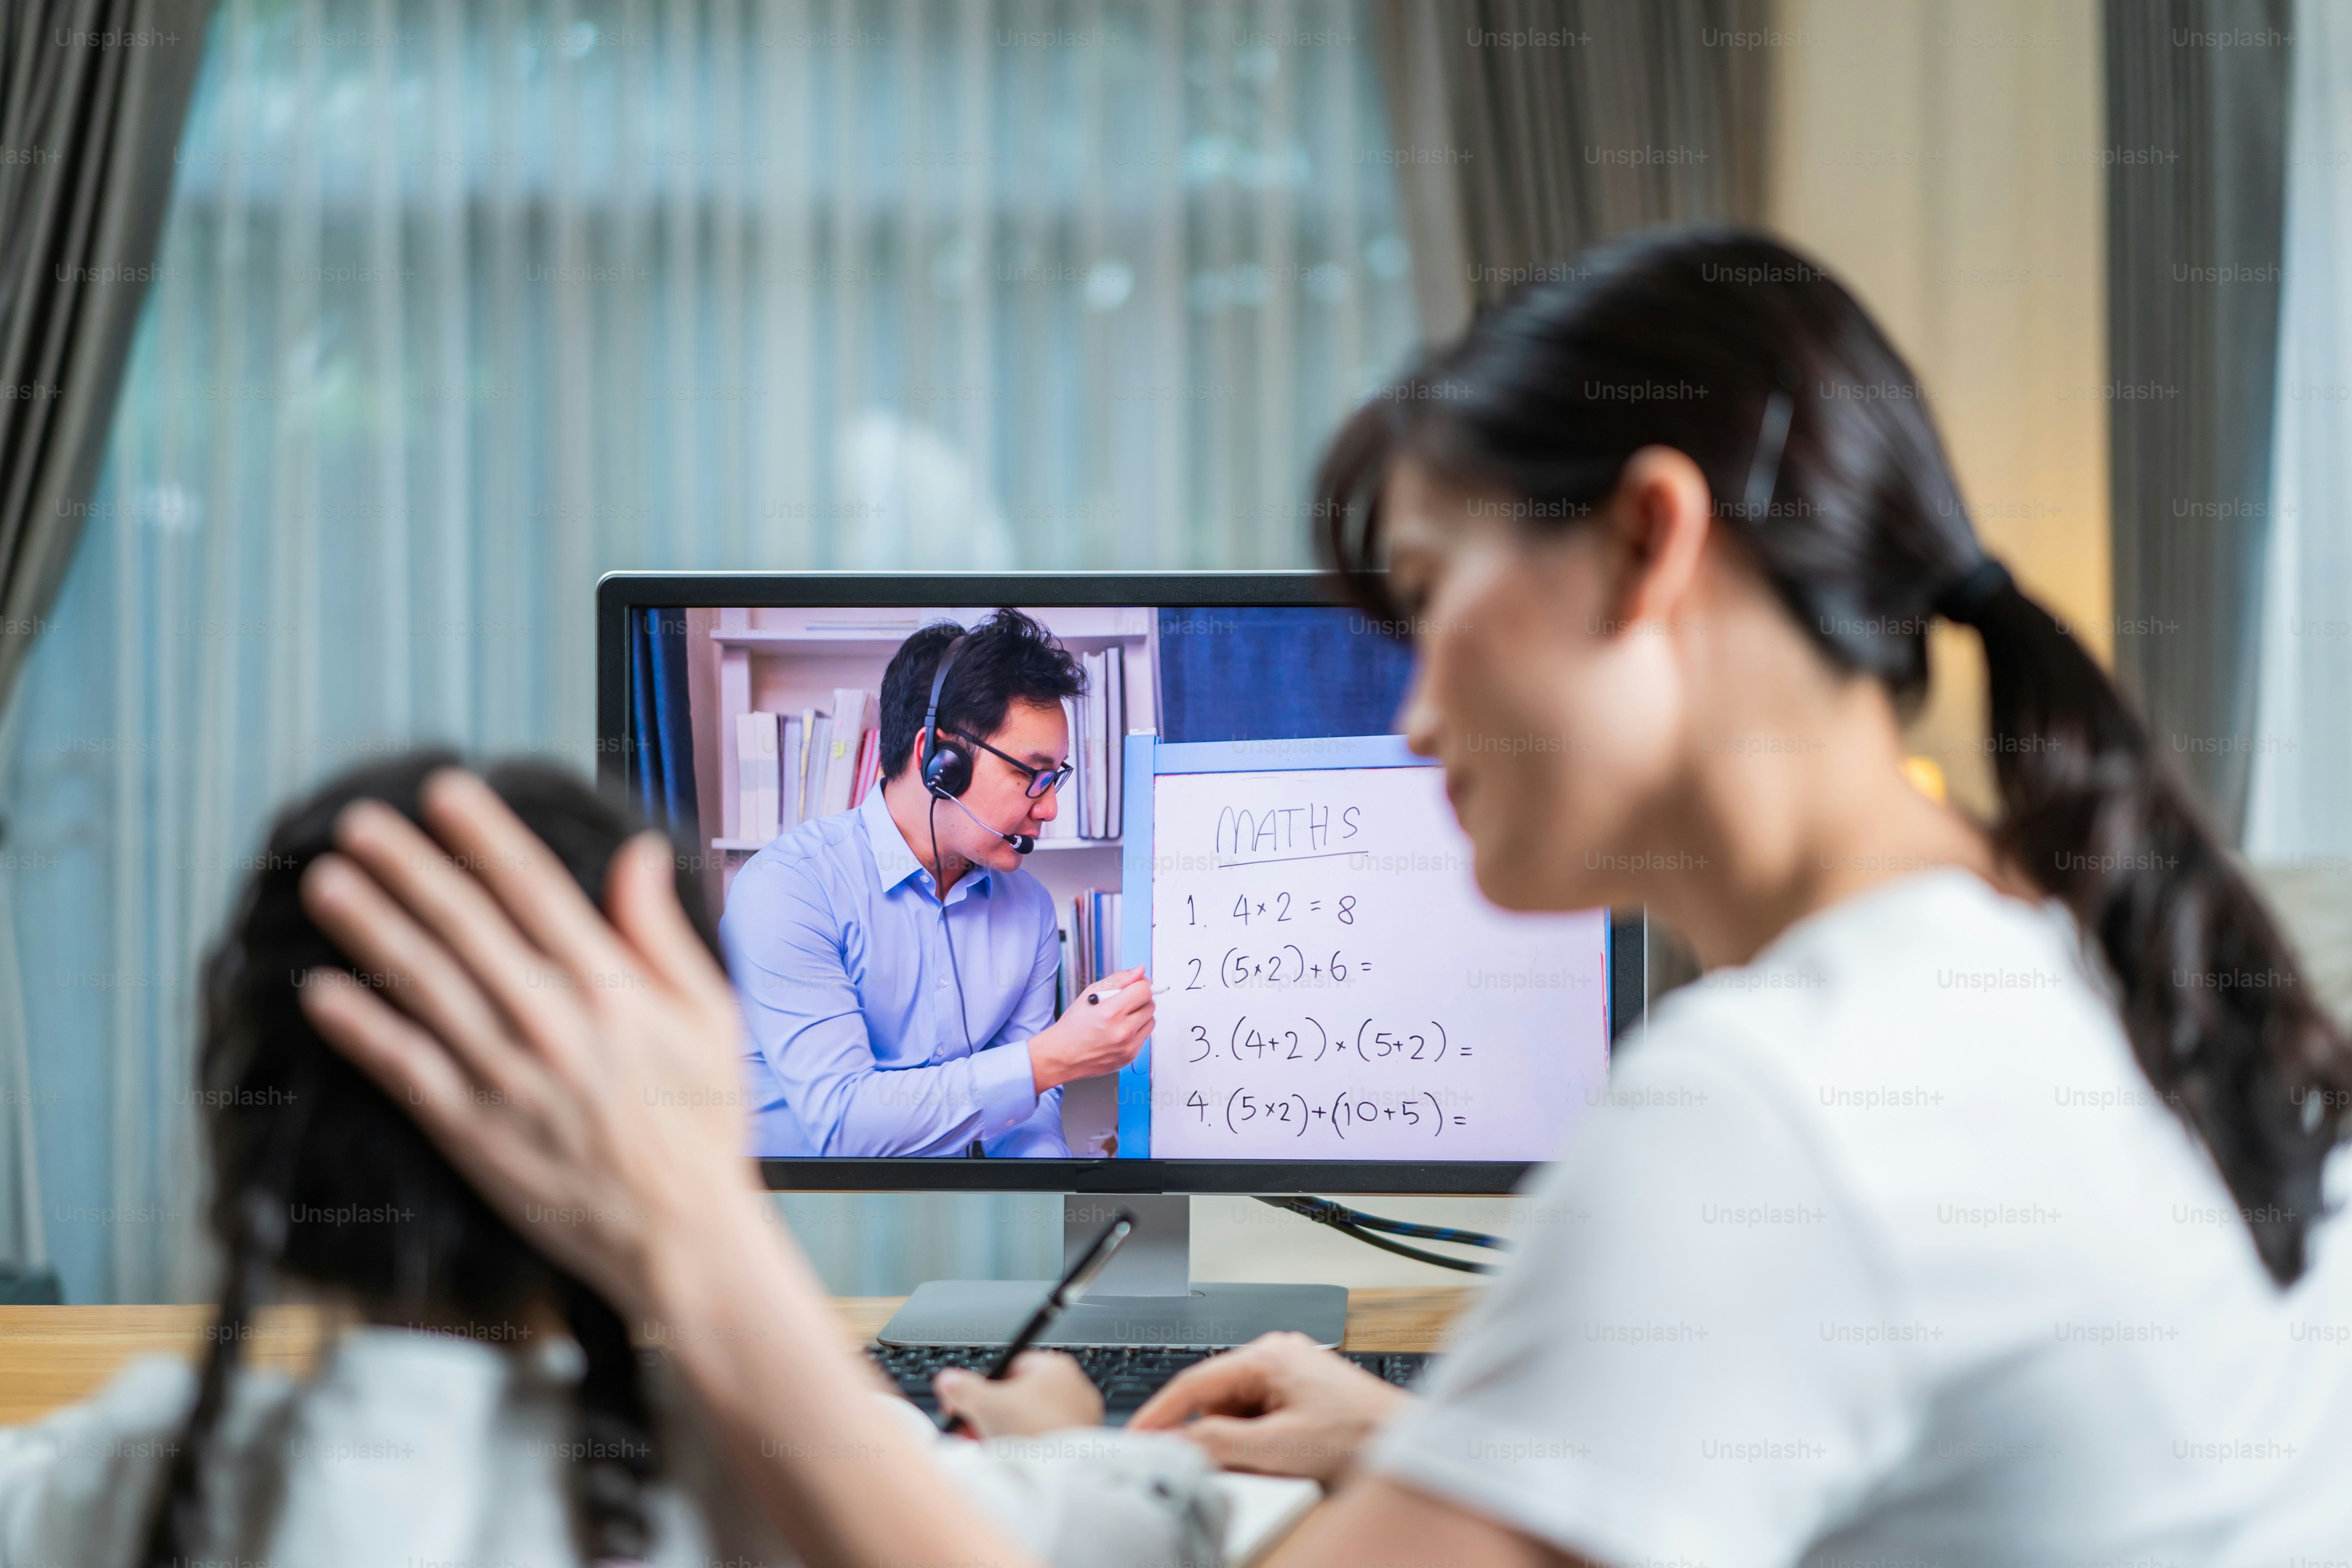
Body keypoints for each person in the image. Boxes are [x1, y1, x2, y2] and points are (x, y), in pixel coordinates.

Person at [293, 229, 2352, 1568]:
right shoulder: (2112, 983)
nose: (1412, 708)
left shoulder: (1784, 1109)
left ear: (1651, 544)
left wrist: (680, 1241)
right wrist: (1434, 1444)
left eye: (1436, 609)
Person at [0, 753, 1225, 1568]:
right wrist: (1052, 1431)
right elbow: (1171, 1518)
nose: (1048, 804)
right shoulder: (794, 1491)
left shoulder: (120, 1477)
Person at [722, 608, 1153, 1156]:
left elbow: (1030, 1116)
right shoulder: (788, 888)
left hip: (965, 1221)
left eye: (1056, 779)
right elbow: (844, 1123)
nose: (1049, 808)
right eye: (1029, 774)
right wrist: (1054, 1057)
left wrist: (1047, 1211)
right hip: (798, 1223)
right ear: (938, 760)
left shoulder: (1031, 911)